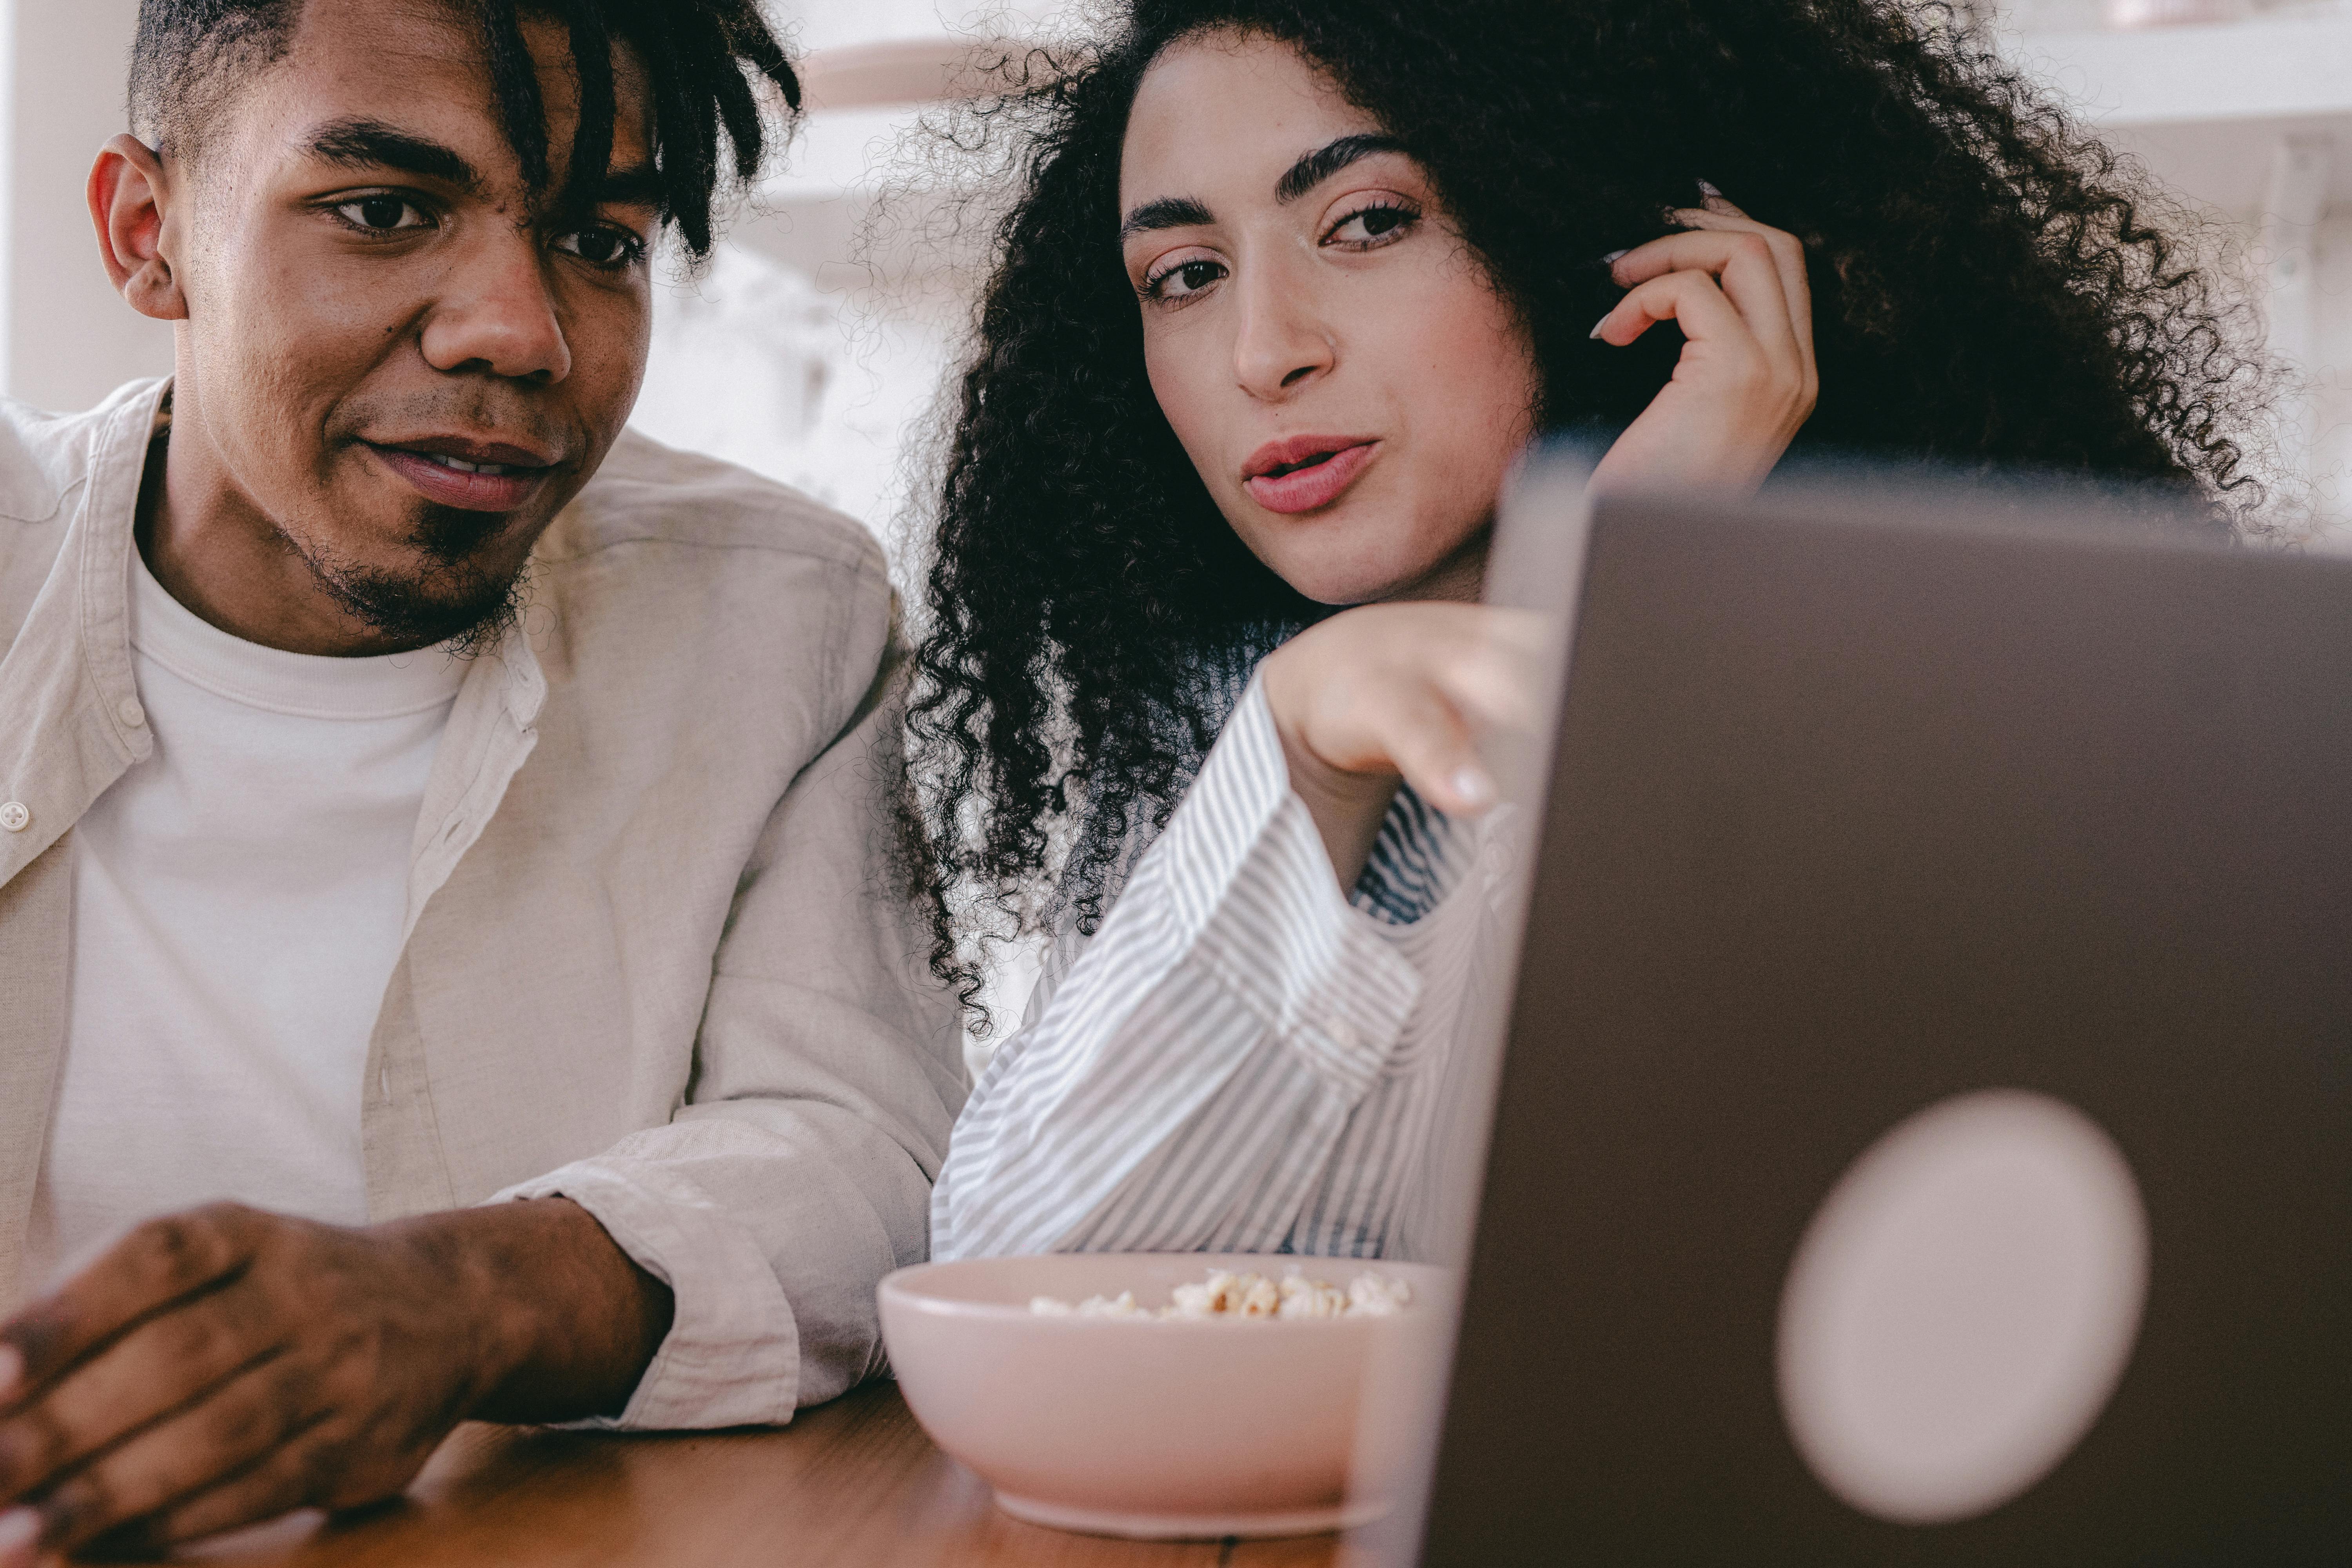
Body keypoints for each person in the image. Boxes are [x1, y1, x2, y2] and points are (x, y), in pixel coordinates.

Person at [908, 0, 2270, 1262]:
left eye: (1369, 222)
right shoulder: (1211, 708)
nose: (1263, 352)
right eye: (1186, 273)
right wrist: (1299, 759)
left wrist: (1608, 607)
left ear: (1594, 230)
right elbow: (1014, 1263)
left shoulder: (1916, 703)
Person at [0, 1, 961, 1559]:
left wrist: (459, 1303)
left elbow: (867, 1150)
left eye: (600, 239)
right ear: (146, 231)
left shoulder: (780, 619)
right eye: (384, 212)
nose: (520, 331)